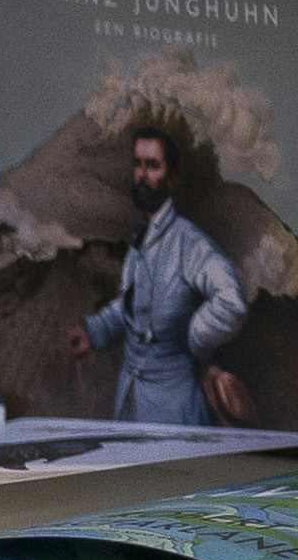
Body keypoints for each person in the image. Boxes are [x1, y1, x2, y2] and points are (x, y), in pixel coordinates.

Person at [95, 120, 248, 430]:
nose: (141, 174)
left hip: (174, 407)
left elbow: (232, 301)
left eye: (152, 165)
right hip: (130, 400)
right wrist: (94, 330)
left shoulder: (189, 242)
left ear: (172, 177)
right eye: (138, 164)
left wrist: (196, 338)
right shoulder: (140, 240)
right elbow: (131, 306)